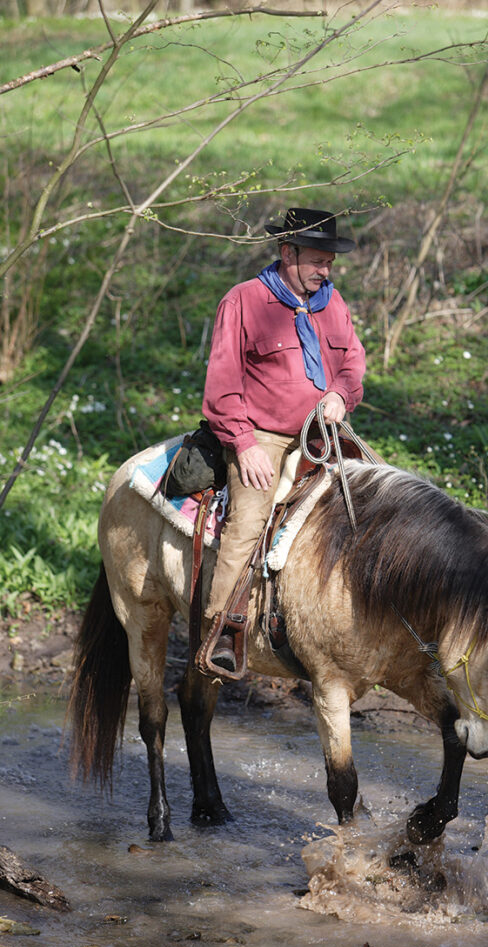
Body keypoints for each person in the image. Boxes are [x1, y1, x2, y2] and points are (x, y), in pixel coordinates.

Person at [201, 207, 366, 674]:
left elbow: (352, 360)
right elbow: (222, 385)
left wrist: (340, 392)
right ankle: (222, 631)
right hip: (265, 436)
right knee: (248, 523)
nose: (324, 270)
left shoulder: (332, 304)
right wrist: (245, 444)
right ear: (286, 252)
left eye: (329, 262)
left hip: (322, 432)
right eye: (316, 260)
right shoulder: (244, 302)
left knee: (372, 505)